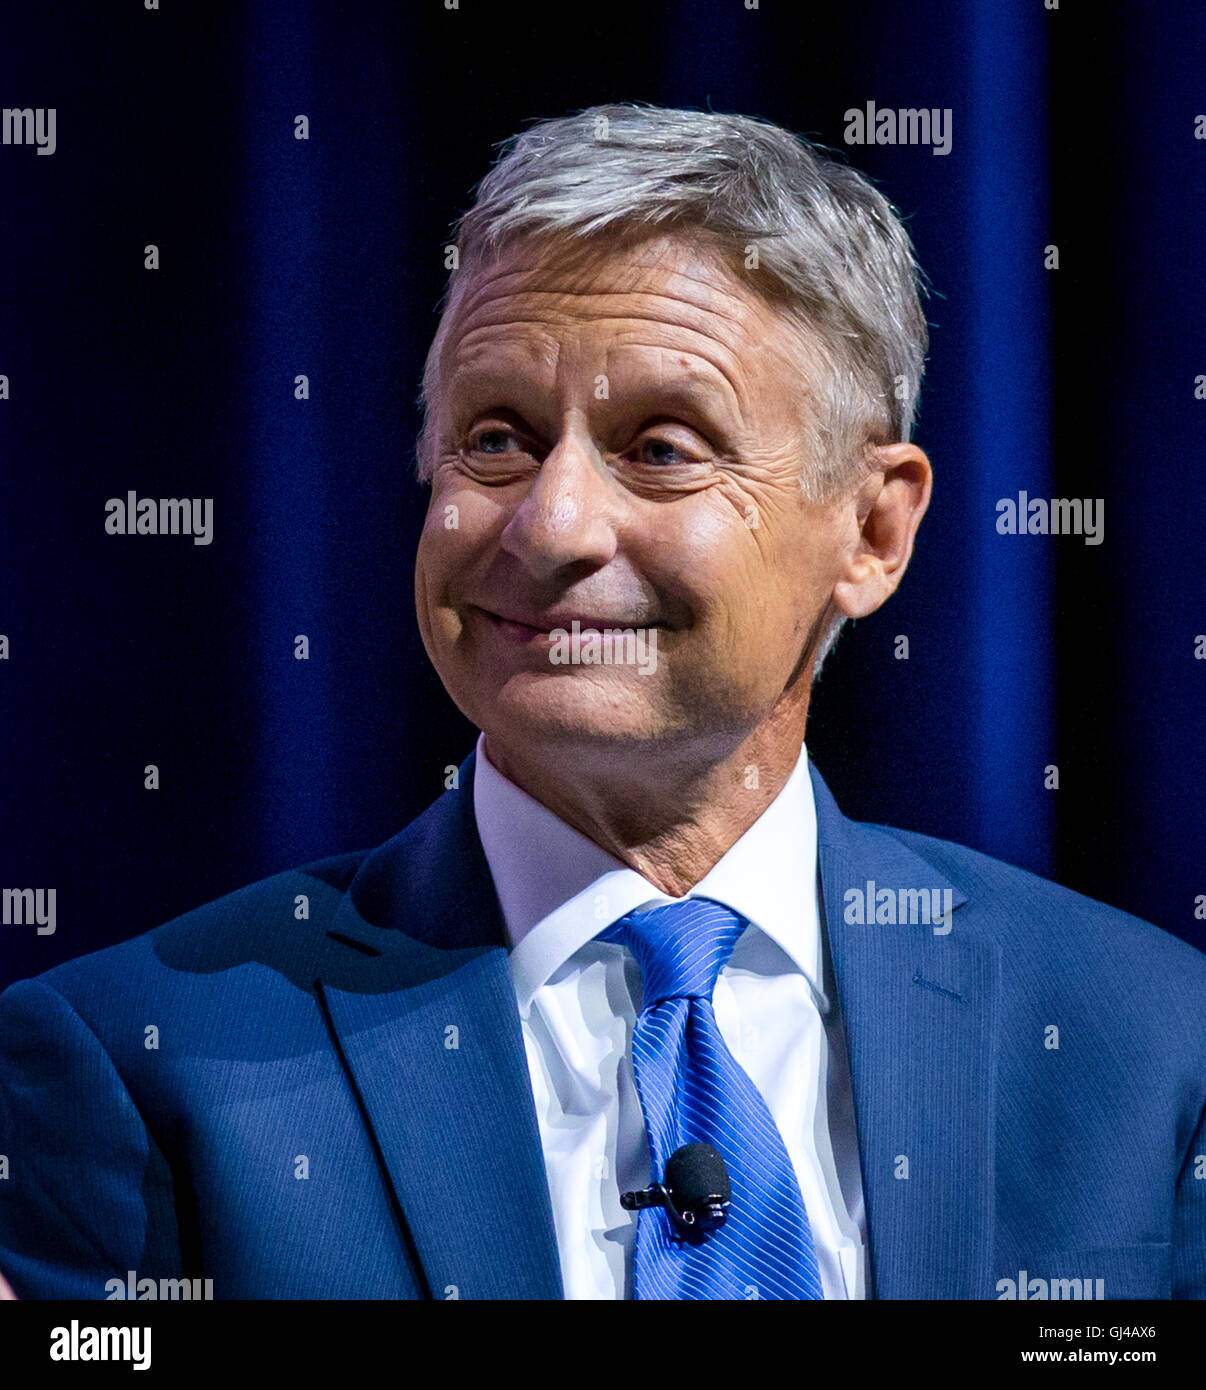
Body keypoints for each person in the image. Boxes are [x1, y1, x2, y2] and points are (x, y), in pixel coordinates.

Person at [1, 104, 1203, 1301]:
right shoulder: (135, 1062)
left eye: (663, 447)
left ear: (873, 528)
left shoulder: (1148, 1043)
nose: (555, 524)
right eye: (498, 439)